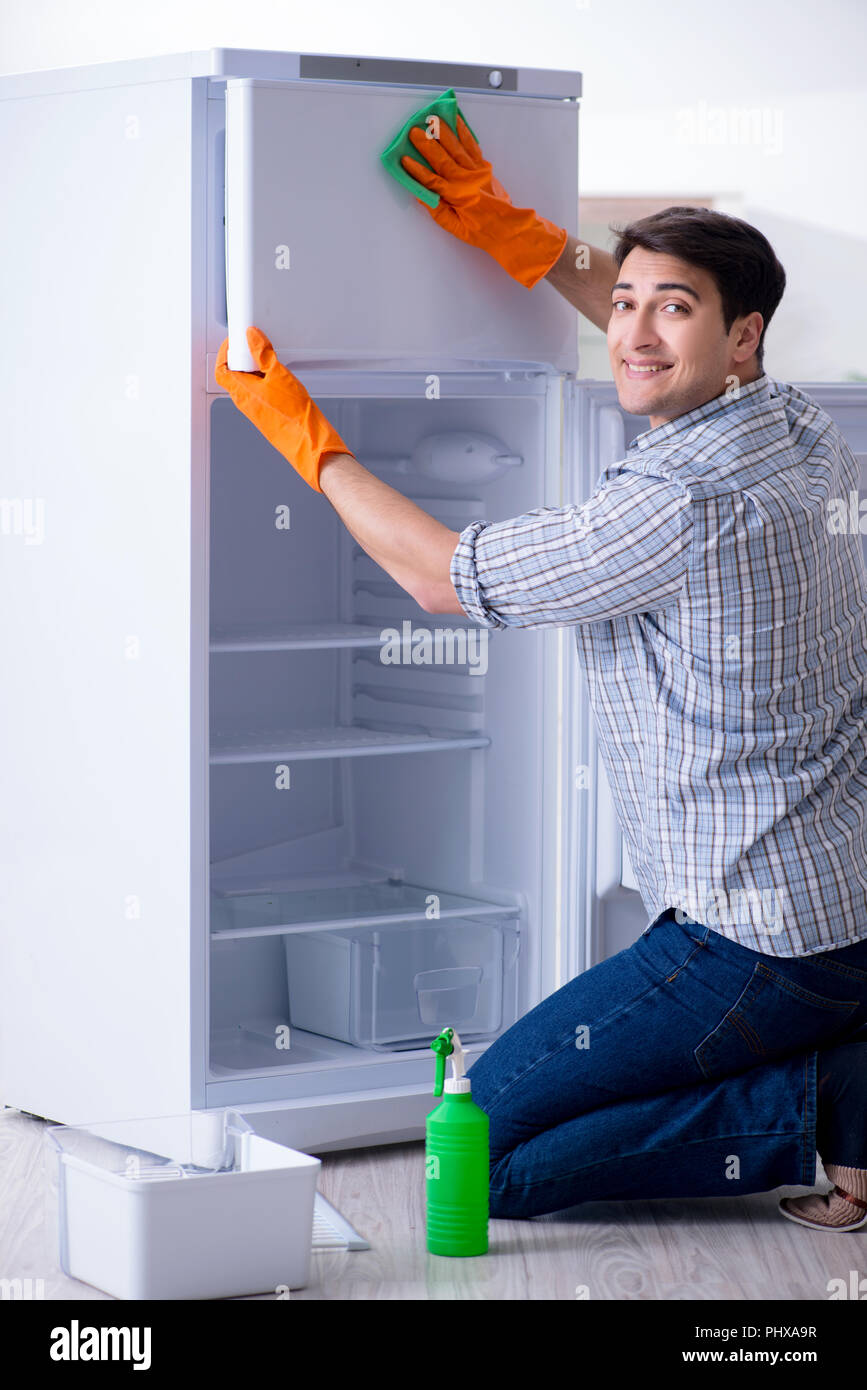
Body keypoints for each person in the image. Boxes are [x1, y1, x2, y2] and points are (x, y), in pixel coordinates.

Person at [216, 114, 867, 1232]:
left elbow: (438, 576)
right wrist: (512, 232)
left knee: (478, 1154)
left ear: (744, 336)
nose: (634, 333)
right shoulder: (798, 426)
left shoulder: (672, 503)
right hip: (842, 909)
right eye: (627, 302)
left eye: (674, 309)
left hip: (752, 943)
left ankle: (822, 1104)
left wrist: (304, 439)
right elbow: (660, 325)